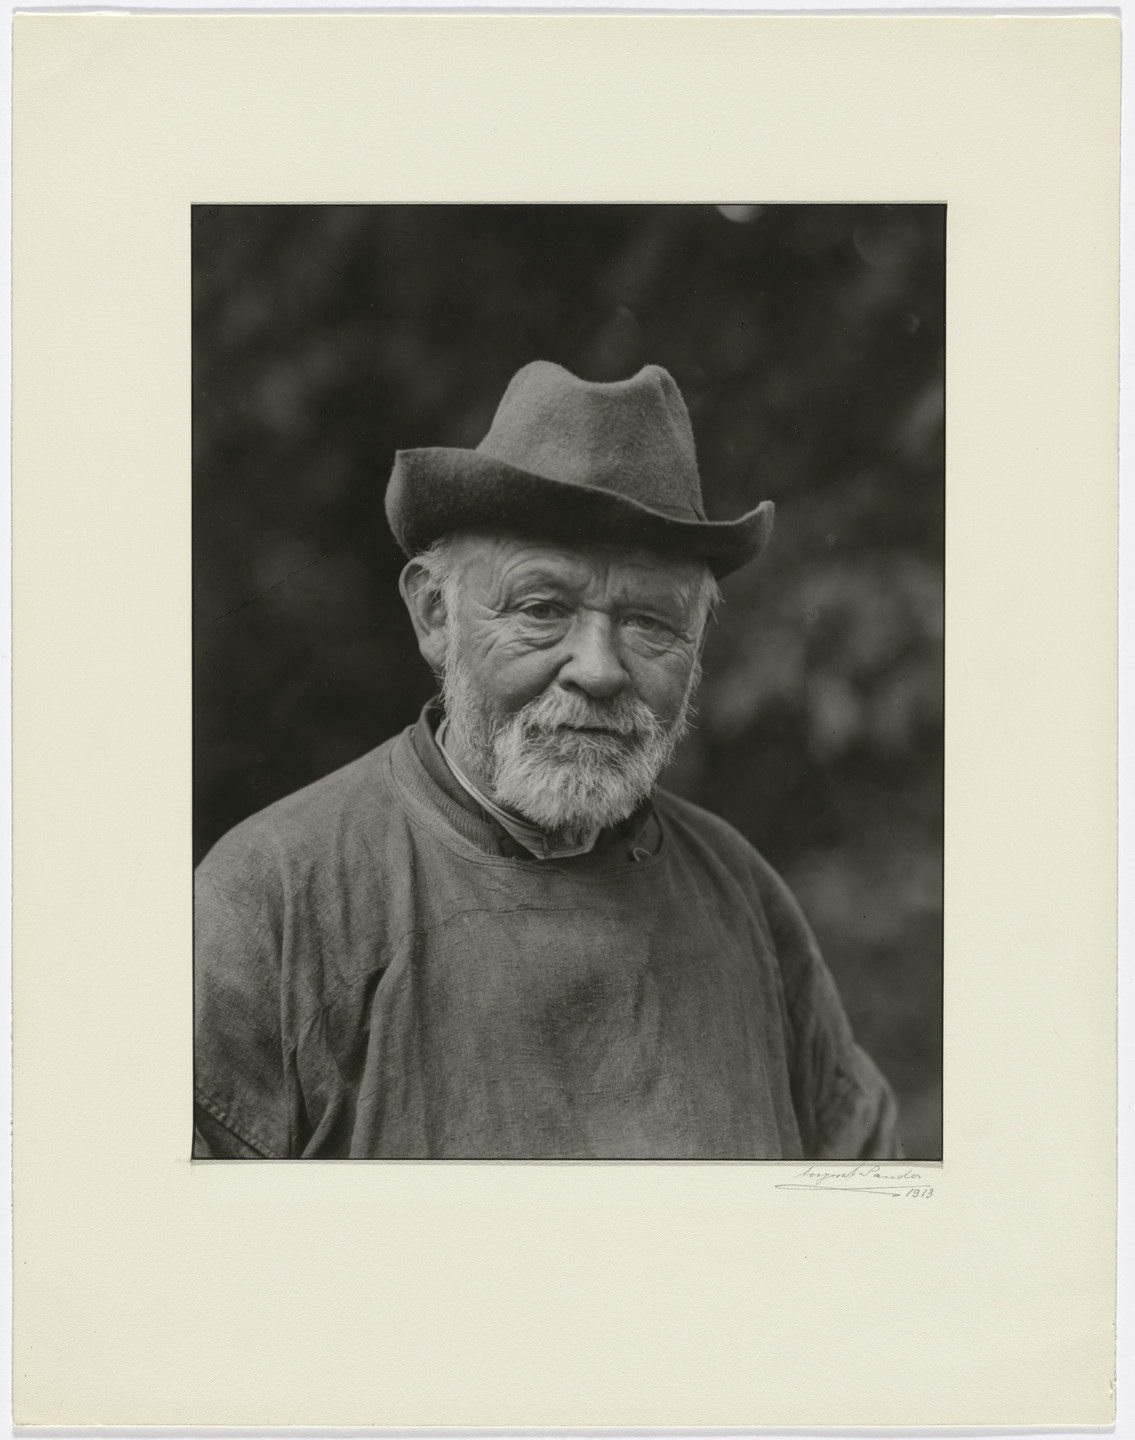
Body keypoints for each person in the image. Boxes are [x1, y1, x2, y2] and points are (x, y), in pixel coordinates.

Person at [193, 360, 900, 1160]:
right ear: (434, 614)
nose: (597, 669)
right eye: (541, 609)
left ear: (697, 646)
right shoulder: (271, 902)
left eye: (648, 622)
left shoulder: (742, 900)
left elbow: (869, 1222)